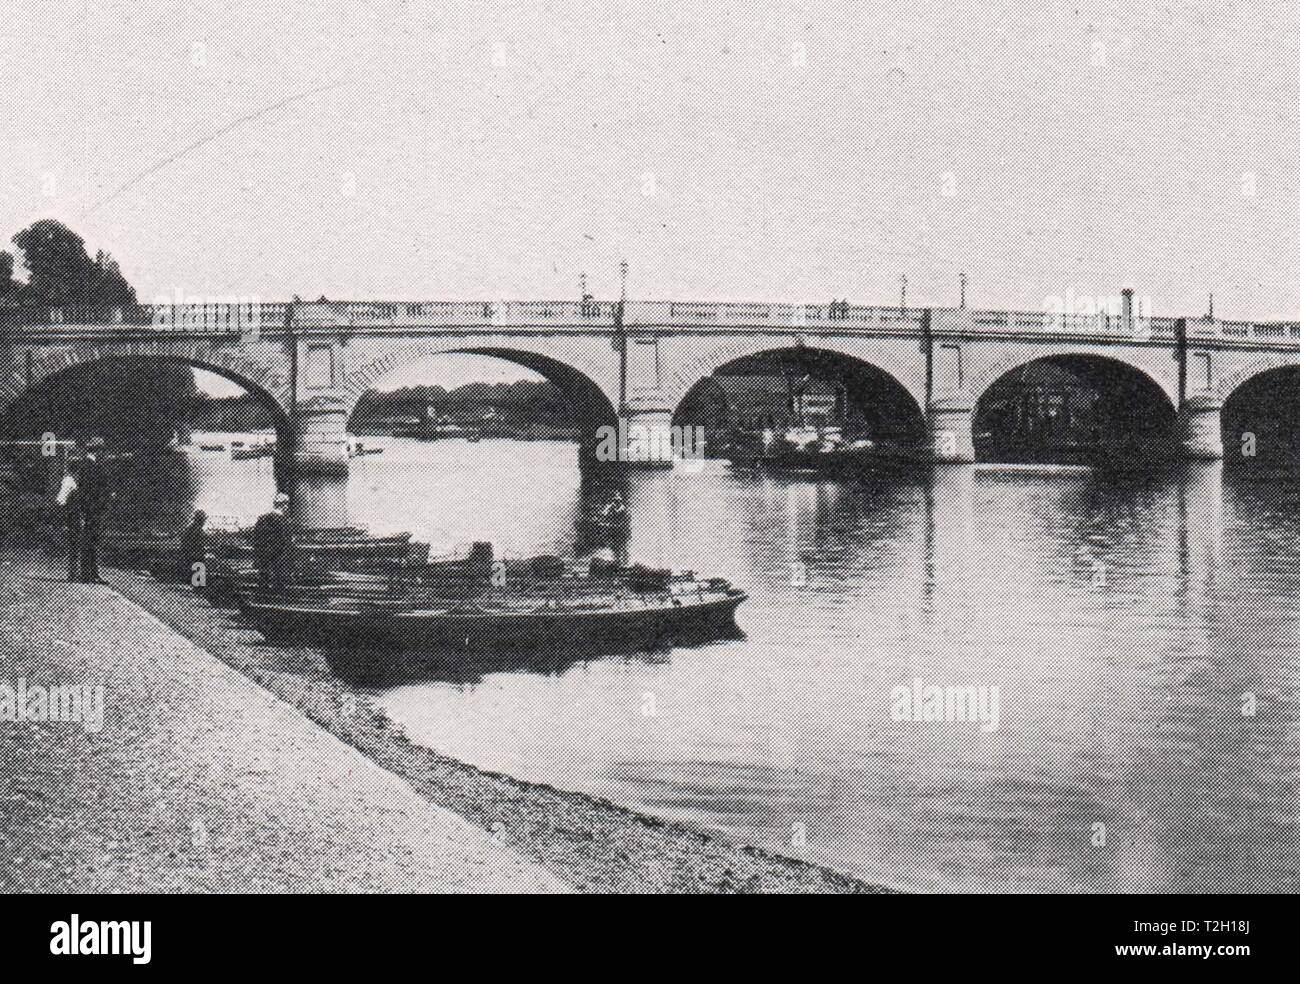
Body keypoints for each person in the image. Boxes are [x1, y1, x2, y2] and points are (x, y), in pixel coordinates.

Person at [74, 438, 110, 584]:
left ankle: (90, 573)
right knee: (91, 541)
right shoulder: (90, 465)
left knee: (91, 541)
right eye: (101, 449)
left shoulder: (88, 464)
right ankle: (89, 574)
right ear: (97, 450)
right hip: (92, 509)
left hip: (91, 508)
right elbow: (89, 490)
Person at [253, 492, 293, 591]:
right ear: (284, 505)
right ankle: (278, 599)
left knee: (263, 579)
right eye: (286, 504)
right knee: (278, 581)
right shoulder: (283, 520)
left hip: (263, 554)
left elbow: (256, 536)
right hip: (279, 555)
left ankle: (262, 597)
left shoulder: (262, 518)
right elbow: (285, 539)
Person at [56, 464, 80, 581]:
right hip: (73, 515)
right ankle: (72, 573)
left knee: (77, 544)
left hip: (78, 514)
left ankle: (76, 572)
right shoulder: (68, 481)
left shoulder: (78, 480)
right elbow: (61, 500)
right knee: (74, 544)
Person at [180, 509, 208, 583]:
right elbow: (200, 544)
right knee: (198, 582)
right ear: (200, 520)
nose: (204, 522)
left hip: (189, 557)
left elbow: (183, 543)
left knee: (193, 581)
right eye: (203, 519)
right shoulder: (197, 530)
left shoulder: (189, 528)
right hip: (196, 558)